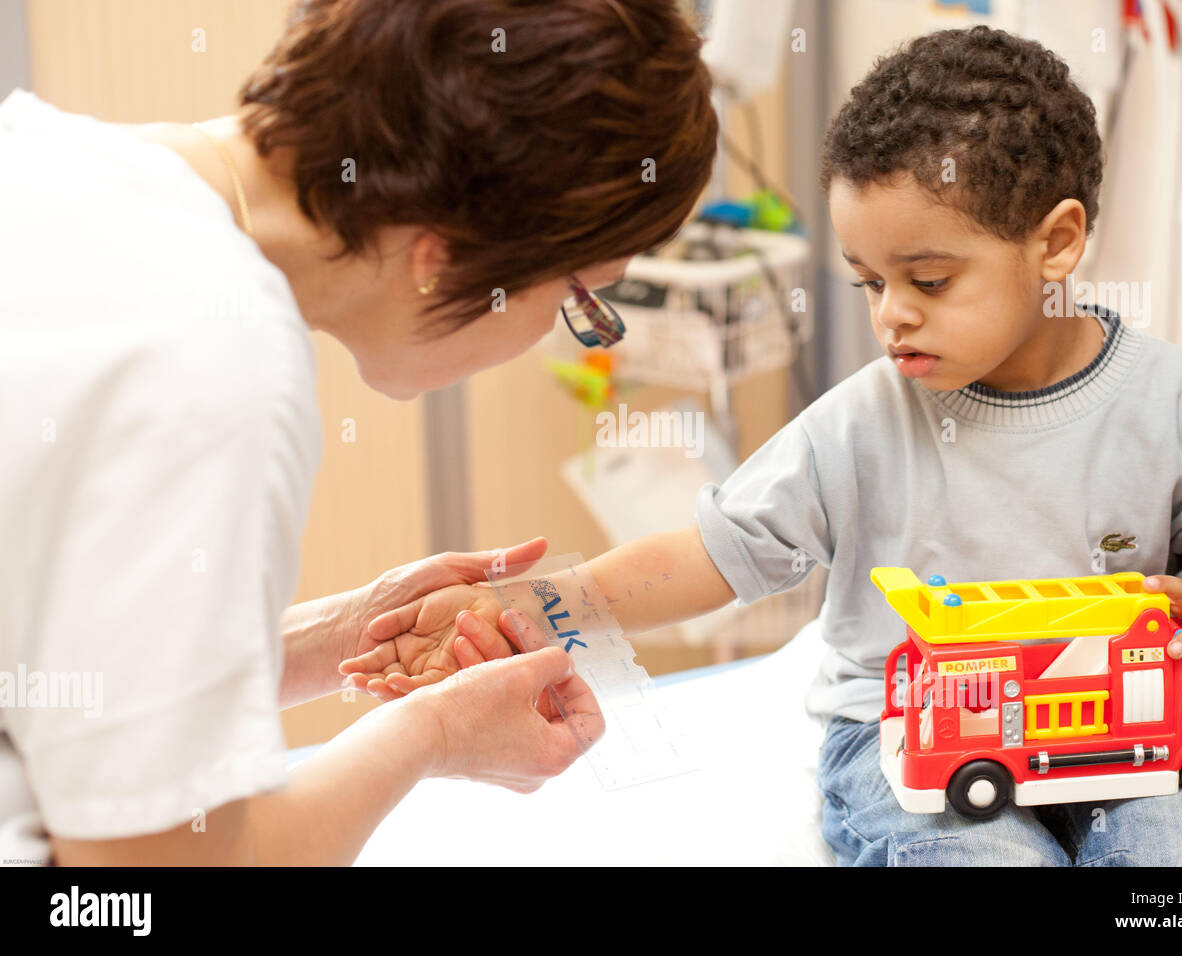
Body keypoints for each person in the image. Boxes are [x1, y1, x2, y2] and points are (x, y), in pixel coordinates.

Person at [340, 26, 1182, 867]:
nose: (892, 317)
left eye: (927, 278)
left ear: (1055, 243)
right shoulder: (863, 422)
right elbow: (705, 559)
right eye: (867, 283)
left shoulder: (1178, 404)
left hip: (1129, 722)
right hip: (913, 730)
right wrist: (523, 607)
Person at [0, 0, 716, 865]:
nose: (555, 332)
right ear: (445, 253)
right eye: (577, 297)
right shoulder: (207, 363)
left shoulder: (49, 161)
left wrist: (339, 635)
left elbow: (65, 675)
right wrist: (433, 735)